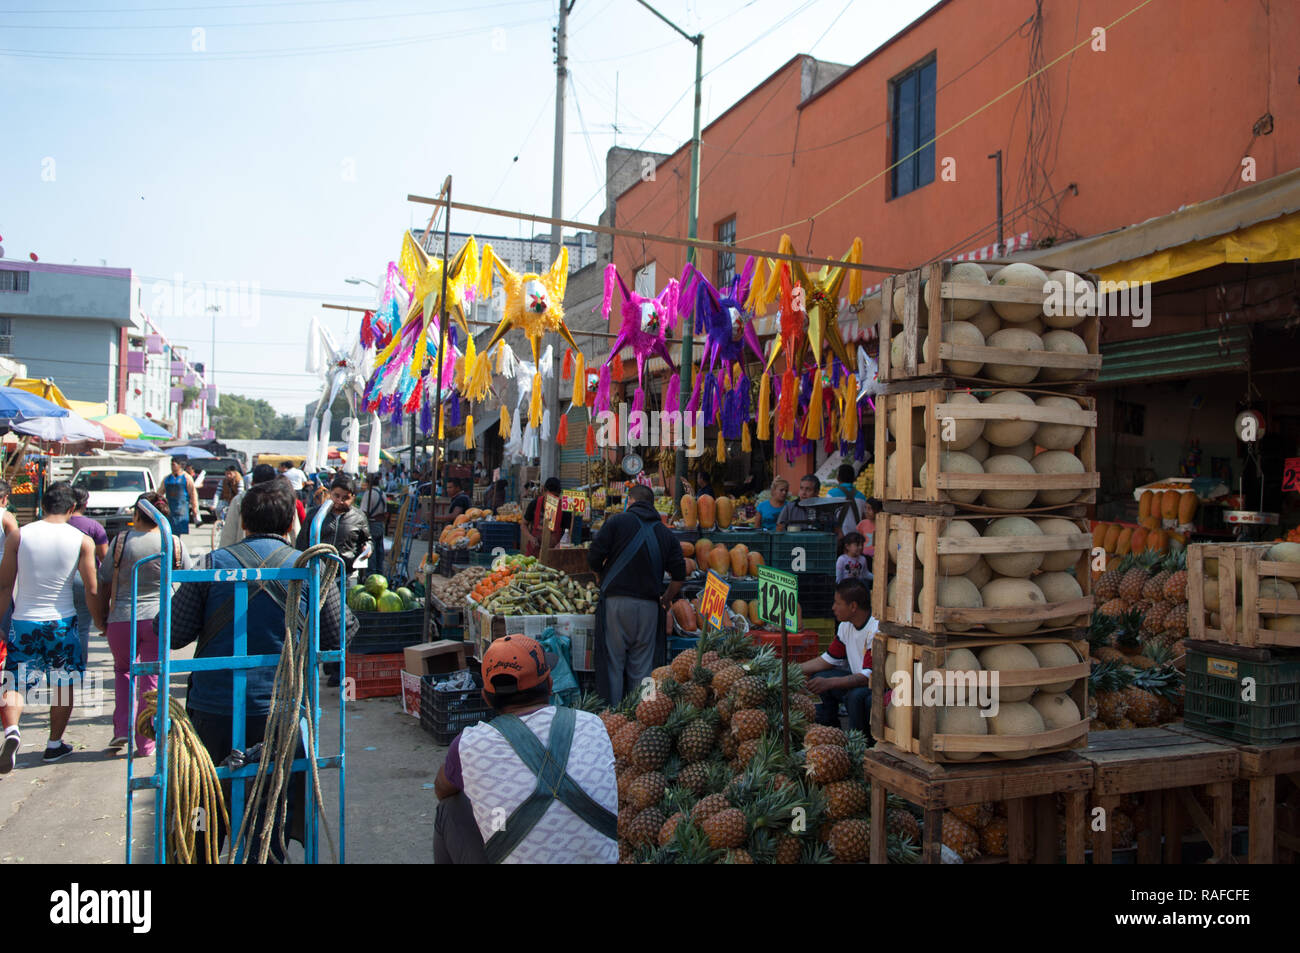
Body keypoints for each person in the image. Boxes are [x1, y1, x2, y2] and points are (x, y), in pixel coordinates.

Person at [164, 479, 355, 862]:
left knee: (204, 814)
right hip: (281, 716)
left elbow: (172, 632)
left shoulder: (211, 564)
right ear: (289, 526)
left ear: (244, 522)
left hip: (212, 711)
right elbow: (338, 637)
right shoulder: (309, 569)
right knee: (269, 821)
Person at [433, 635, 617, 864]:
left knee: (451, 808)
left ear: (486, 699)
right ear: (550, 685)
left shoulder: (469, 743)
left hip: (504, 836)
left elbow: (442, 789)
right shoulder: (593, 724)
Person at [0, 482, 99, 771]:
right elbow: (92, 589)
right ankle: (54, 744)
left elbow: (5, 584)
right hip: (62, 622)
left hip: (24, 621)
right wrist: (101, 621)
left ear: (43, 505)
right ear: (71, 508)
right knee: (64, 682)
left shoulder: (19, 535)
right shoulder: (82, 540)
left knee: (15, 681)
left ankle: (12, 732)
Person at [92, 491, 185, 754]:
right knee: (152, 677)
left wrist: (102, 619)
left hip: (122, 618)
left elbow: (105, 576)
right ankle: (146, 742)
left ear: (136, 513)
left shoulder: (121, 541)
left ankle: (122, 730)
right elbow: (188, 576)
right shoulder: (173, 542)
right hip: (159, 618)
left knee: (123, 672)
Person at [587, 484, 686, 704]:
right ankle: (639, 720)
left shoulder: (616, 522)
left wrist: (598, 575)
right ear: (651, 505)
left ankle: (611, 720)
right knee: (643, 670)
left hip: (615, 605)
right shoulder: (665, 533)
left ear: (629, 501)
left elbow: (594, 555)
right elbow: (679, 576)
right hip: (649, 608)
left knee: (613, 665)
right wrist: (666, 600)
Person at [799, 579, 877, 733]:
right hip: (857, 679)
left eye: (837, 603)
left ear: (853, 606)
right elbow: (828, 659)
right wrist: (792, 669)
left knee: (855, 696)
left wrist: (830, 683)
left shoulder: (875, 629)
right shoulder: (845, 626)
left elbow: (868, 676)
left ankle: (858, 744)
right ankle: (828, 730)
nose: (833, 608)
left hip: (875, 687)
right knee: (820, 676)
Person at [297, 474, 369, 579]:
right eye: (336, 496)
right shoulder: (315, 515)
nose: (340, 501)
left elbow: (367, 539)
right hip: (316, 575)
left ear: (353, 498)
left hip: (346, 575)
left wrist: (367, 547)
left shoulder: (359, 517)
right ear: (330, 493)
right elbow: (301, 543)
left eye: (345, 498)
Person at [67, 487, 109, 662]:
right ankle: (78, 668)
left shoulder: (59, 524)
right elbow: (104, 557)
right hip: (85, 580)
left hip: (60, 579)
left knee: (61, 626)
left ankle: (55, 668)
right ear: (85, 504)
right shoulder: (93, 526)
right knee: (82, 628)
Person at [522, 478, 571, 556]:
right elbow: (524, 524)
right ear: (544, 492)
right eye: (550, 496)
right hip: (534, 552)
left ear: (559, 495)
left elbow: (568, 532)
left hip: (554, 553)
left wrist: (561, 544)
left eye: (555, 496)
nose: (552, 499)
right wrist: (530, 538)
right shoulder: (534, 504)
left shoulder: (564, 508)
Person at [829, 464, 868, 538]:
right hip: (856, 538)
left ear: (838, 478)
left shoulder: (831, 494)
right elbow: (864, 518)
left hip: (839, 538)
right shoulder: (862, 497)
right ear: (854, 479)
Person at [163, 457, 199, 537]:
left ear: (179, 466)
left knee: (178, 532)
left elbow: (193, 494)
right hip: (170, 508)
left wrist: (195, 508)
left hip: (181, 508)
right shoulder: (167, 478)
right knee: (169, 531)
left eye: (174, 465)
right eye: (171, 465)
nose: (172, 467)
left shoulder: (187, 478)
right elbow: (160, 492)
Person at [357, 475, 388, 563]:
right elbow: (385, 512)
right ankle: (379, 570)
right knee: (379, 550)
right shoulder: (382, 493)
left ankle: (371, 572)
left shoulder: (369, 493)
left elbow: (363, 511)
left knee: (371, 551)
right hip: (380, 524)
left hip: (371, 524)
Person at [857, 498, 880, 575]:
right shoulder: (862, 524)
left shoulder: (882, 525)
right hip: (864, 558)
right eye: (865, 508)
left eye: (869, 509)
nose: (866, 511)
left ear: (877, 510)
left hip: (877, 558)